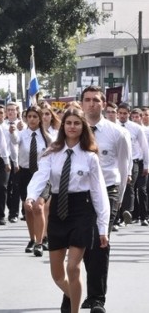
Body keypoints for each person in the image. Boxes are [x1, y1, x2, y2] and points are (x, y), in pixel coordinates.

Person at [26, 108, 110, 313]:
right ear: (63, 126)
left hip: (83, 210)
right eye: (69, 123)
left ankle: (74, 310)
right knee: (57, 274)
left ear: (83, 127)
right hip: (58, 212)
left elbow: (99, 192)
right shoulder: (52, 153)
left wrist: (103, 227)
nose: (72, 126)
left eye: (77, 123)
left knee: (72, 267)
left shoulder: (90, 156)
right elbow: (40, 176)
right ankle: (76, 294)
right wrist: (30, 196)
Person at [79, 87, 130, 313]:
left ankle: (97, 298)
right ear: (81, 103)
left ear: (103, 103)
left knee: (101, 242)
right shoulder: (73, 129)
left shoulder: (117, 133)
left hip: (108, 191)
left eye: (96, 100)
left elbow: (124, 166)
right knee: (83, 244)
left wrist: (118, 200)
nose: (92, 104)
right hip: (80, 192)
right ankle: (87, 292)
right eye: (87, 100)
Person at [16, 106, 51, 256]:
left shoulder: (48, 137)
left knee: (38, 207)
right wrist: (12, 132)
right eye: (29, 116)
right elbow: (12, 141)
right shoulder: (21, 135)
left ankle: (40, 242)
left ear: (40, 118)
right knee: (28, 208)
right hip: (25, 174)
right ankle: (32, 238)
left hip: (42, 175)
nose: (31, 119)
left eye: (35, 117)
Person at [116, 103, 149, 227]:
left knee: (131, 185)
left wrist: (146, 165)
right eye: (121, 113)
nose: (123, 116)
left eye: (125, 113)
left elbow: (144, 147)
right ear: (118, 113)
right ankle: (118, 217)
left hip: (134, 161)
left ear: (129, 114)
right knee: (119, 188)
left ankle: (128, 211)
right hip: (117, 161)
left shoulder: (136, 128)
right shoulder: (114, 127)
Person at [5, 103, 24, 223]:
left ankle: (14, 213)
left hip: (18, 160)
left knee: (16, 187)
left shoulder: (23, 125)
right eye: (9, 110)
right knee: (5, 187)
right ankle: (9, 207)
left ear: (17, 111)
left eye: (13, 110)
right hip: (5, 159)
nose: (11, 112)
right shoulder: (1, 125)